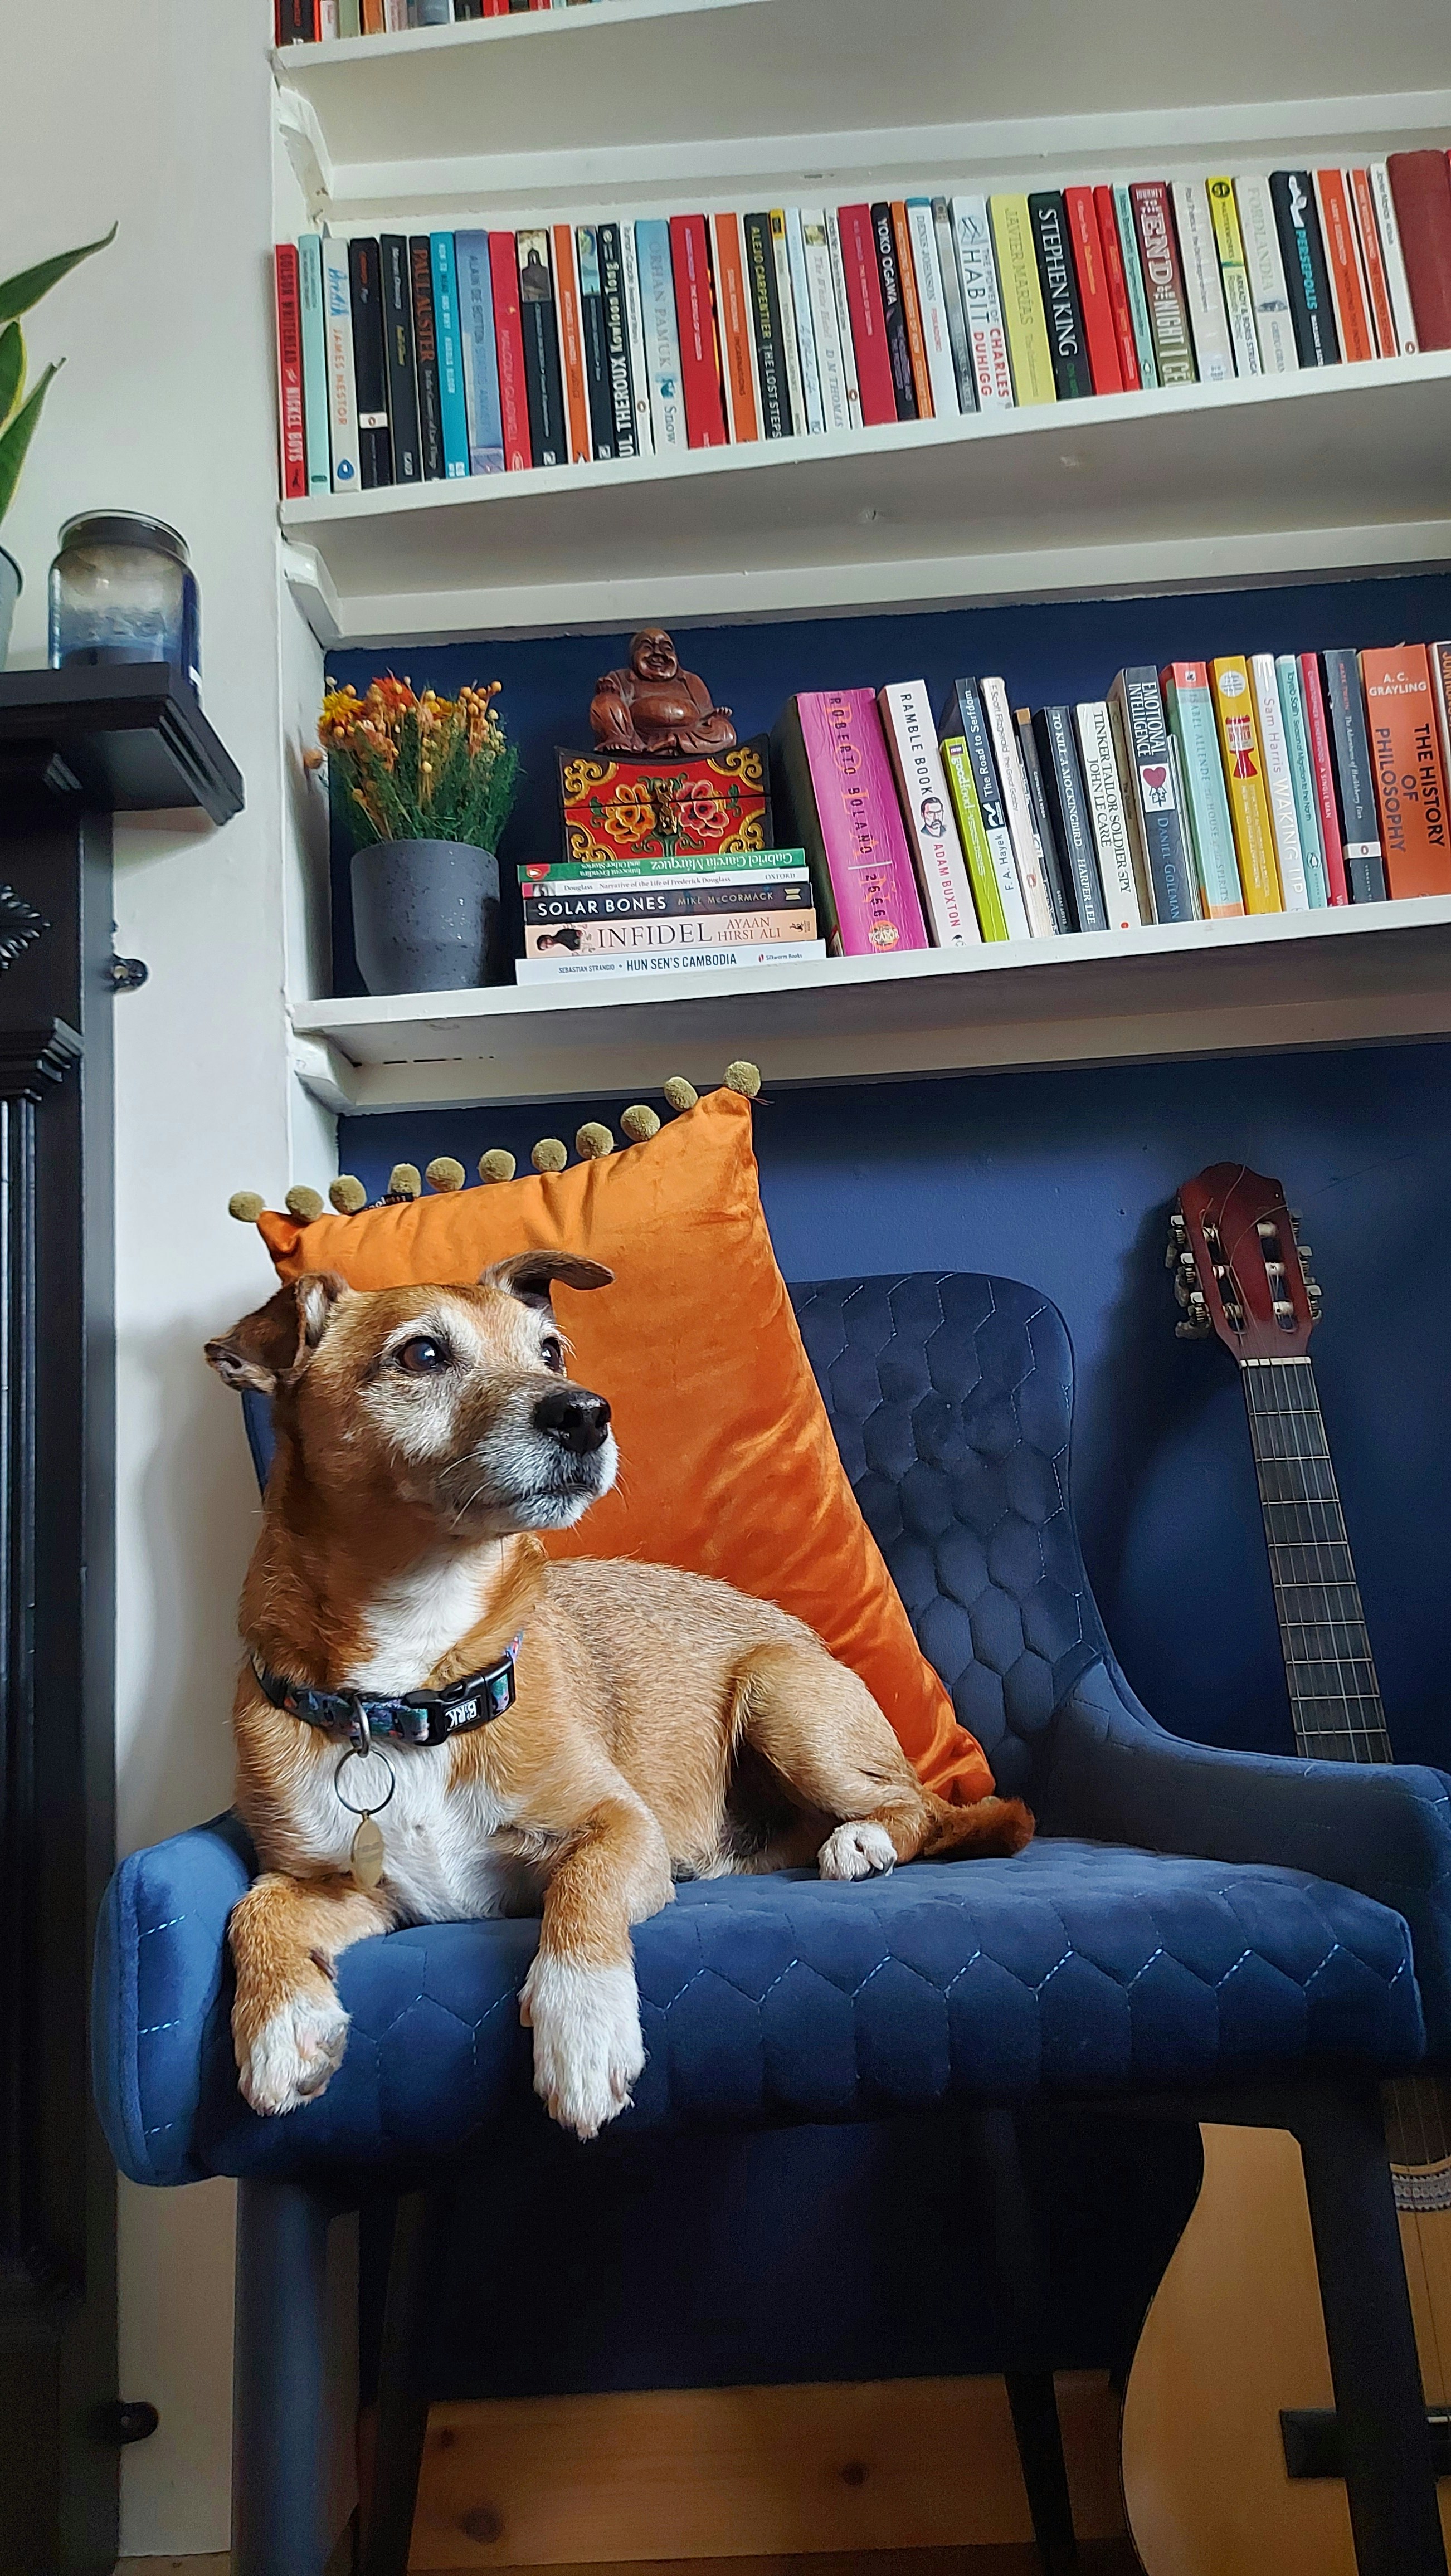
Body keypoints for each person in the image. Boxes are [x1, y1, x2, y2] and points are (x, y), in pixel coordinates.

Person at [589, 628, 736, 756]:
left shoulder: (690, 681)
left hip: (688, 736)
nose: (658, 654)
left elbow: (706, 715)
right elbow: (610, 707)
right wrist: (608, 691)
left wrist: (716, 716)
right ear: (635, 654)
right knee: (604, 701)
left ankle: (674, 743)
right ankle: (621, 743)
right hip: (639, 739)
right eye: (648, 647)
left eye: (666, 648)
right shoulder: (622, 677)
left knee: (725, 731)